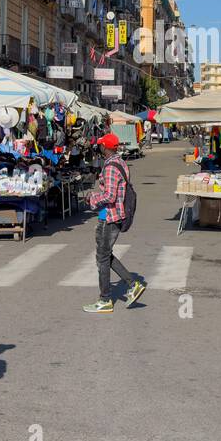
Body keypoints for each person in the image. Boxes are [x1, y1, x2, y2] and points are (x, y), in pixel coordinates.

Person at [84, 132, 146, 314]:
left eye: (101, 145)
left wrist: (93, 198)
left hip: (110, 217)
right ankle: (133, 284)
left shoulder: (111, 167)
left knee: (102, 258)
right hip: (112, 215)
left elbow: (110, 195)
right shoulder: (120, 162)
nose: (100, 147)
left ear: (106, 147)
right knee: (105, 254)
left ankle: (105, 299)